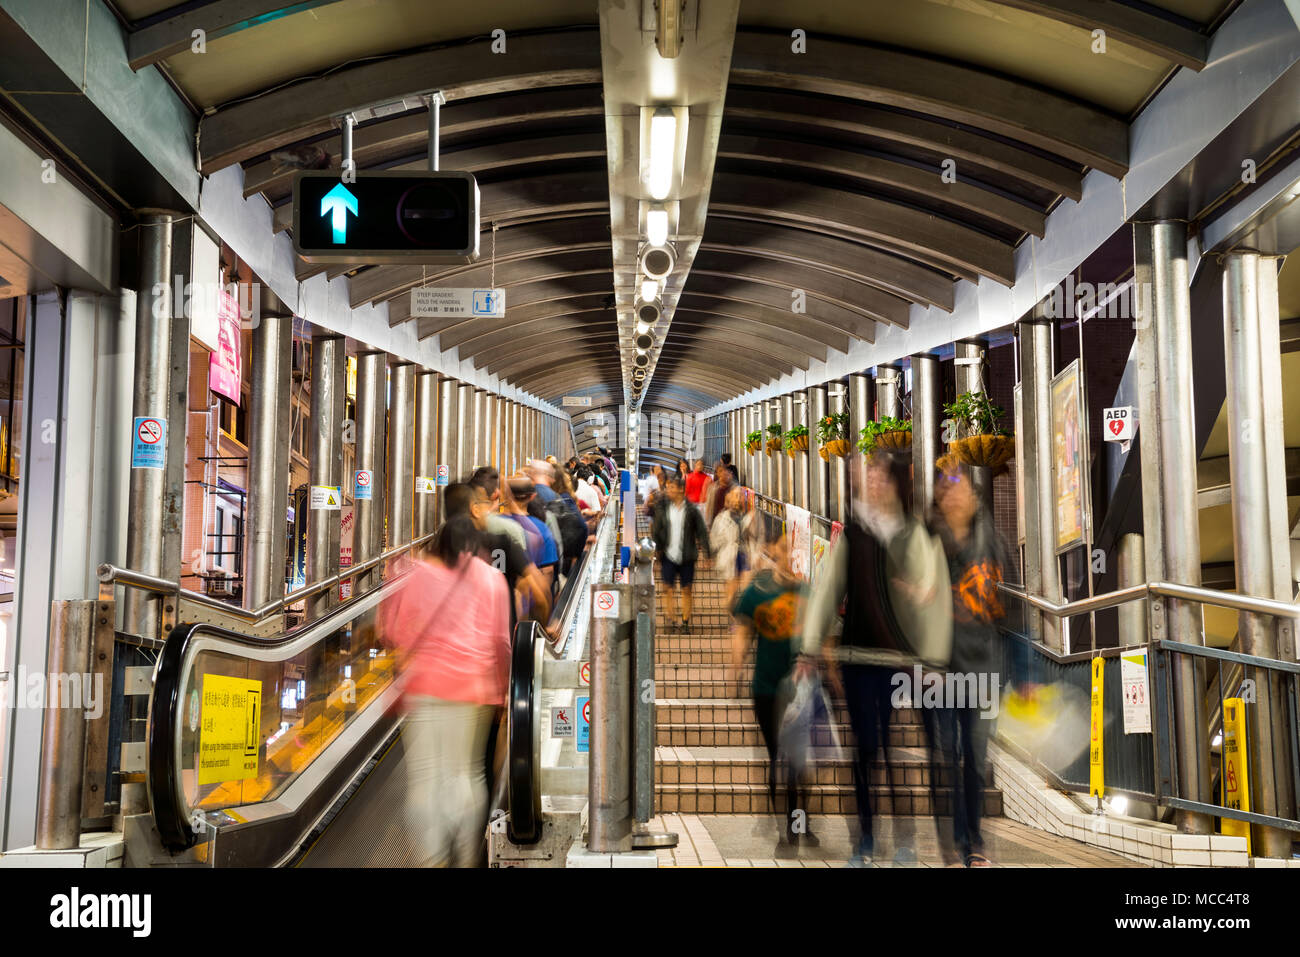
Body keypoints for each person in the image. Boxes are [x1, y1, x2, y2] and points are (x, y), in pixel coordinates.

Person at [798, 451, 952, 868]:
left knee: (893, 750)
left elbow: (933, 594)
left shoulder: (916, 533)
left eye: (883, 476)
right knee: (866, 749)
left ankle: (904, 841)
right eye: (872, 476)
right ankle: (864, 841)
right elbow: (828, 589)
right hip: (857, 656)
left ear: (898, 483)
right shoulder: (855, 533)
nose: (876, 482)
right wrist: (811, 645)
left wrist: (934, 660)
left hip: (902, 660)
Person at [380, 515, 510, 867]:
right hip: (472, 688)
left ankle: (429, 859)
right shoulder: (492, 579)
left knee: (424, 779)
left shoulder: (412, 574)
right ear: (476, 547)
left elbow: (390, 631)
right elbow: (500, 641)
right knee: (465, 774)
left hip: (423, 686)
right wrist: (502, 690)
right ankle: (466, 858)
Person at [931, 464, 1007, 868]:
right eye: (948, 492)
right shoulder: (931, 545)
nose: (955, 498)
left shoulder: (991, 542)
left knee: (975, 760)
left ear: (974, 500)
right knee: (949, 754)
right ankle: (958, 838)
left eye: (961, 491)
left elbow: (1009, 610)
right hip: (939, 671)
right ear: (942, 502)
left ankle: (972, 843)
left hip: (981, 672)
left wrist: (1021, 674)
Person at [731, 531, 813, 856]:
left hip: (802, 689)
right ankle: (787, 829)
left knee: (797, 759)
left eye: (796, 551)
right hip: (766, 688)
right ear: (774, 553)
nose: (791, 557)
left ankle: (797, 824)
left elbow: (823, 635)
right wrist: (735, 668)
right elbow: (742, 632)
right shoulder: (757, 592)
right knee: (779, 756)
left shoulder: (809, 593)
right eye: (785, 549)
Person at [443, 482, 549, 628]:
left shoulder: (440, 550)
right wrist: (540, 632)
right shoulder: (502, 543)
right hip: (499, 639)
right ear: (475, 510)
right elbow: (538, 594)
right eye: (486, 504)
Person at [651, 474, 711, 633]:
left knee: (687, 589)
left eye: (672, 487)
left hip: (687, 556)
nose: (668, 490)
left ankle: (685, 622)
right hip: (668, 555)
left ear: (681, 490)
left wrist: (707, 553)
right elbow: (656, 531)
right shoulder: (663, 508)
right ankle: (670, 619)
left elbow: (702, 531)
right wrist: (656, 554)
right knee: (667, 588)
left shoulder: (691, 510)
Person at [711, 486, 758, 609]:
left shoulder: (750, 516)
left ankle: (740, 619)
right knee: (731, 594)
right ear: (729, 498)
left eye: (741, 496)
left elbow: (756, 537)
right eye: (735, 495)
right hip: (729, 557)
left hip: (744, 555)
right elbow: (715, 540)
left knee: (745, 590)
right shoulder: (721, 518)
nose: (738, 499)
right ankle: (733, 619)